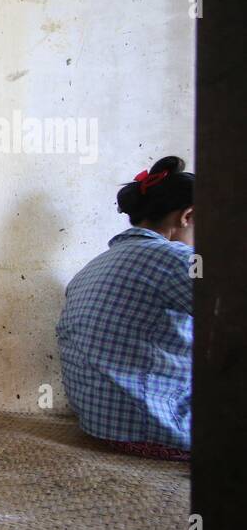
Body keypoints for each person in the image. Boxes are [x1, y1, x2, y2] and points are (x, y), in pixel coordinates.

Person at [56, 156, 194, 461]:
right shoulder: (181, 259)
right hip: (158, 428)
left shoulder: (93, 265)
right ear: (188, 216)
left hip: (100, 424)